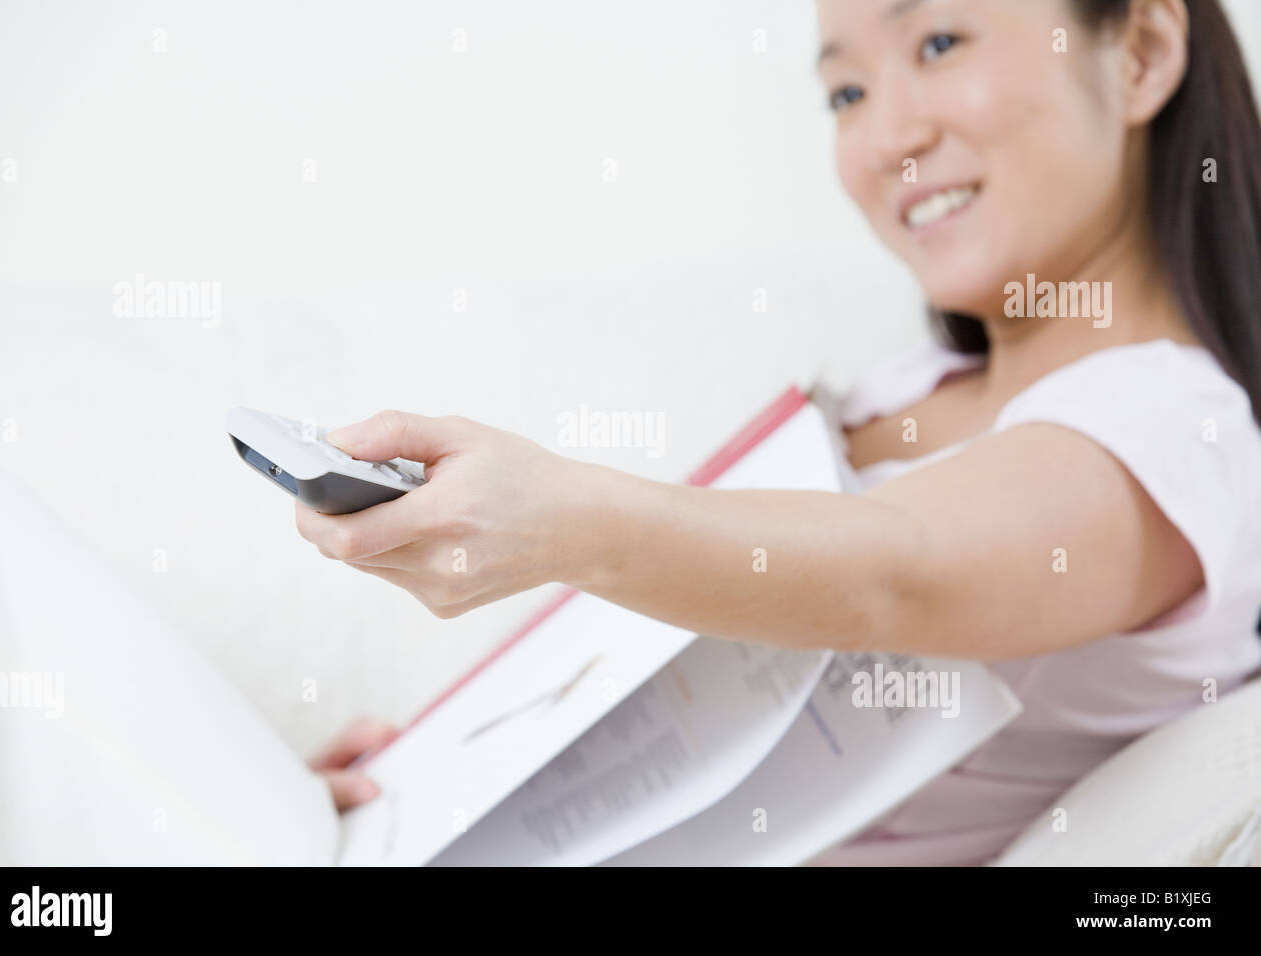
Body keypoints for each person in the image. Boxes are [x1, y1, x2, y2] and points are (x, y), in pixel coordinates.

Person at [295, 0, 1261, 864]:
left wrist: (559, 519)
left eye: (937, 41)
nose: (888, 138)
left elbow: (900, 571)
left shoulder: (1178, 429)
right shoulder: (900, 388)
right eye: (845, 93)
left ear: (1140, 52)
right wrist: (430, 783)